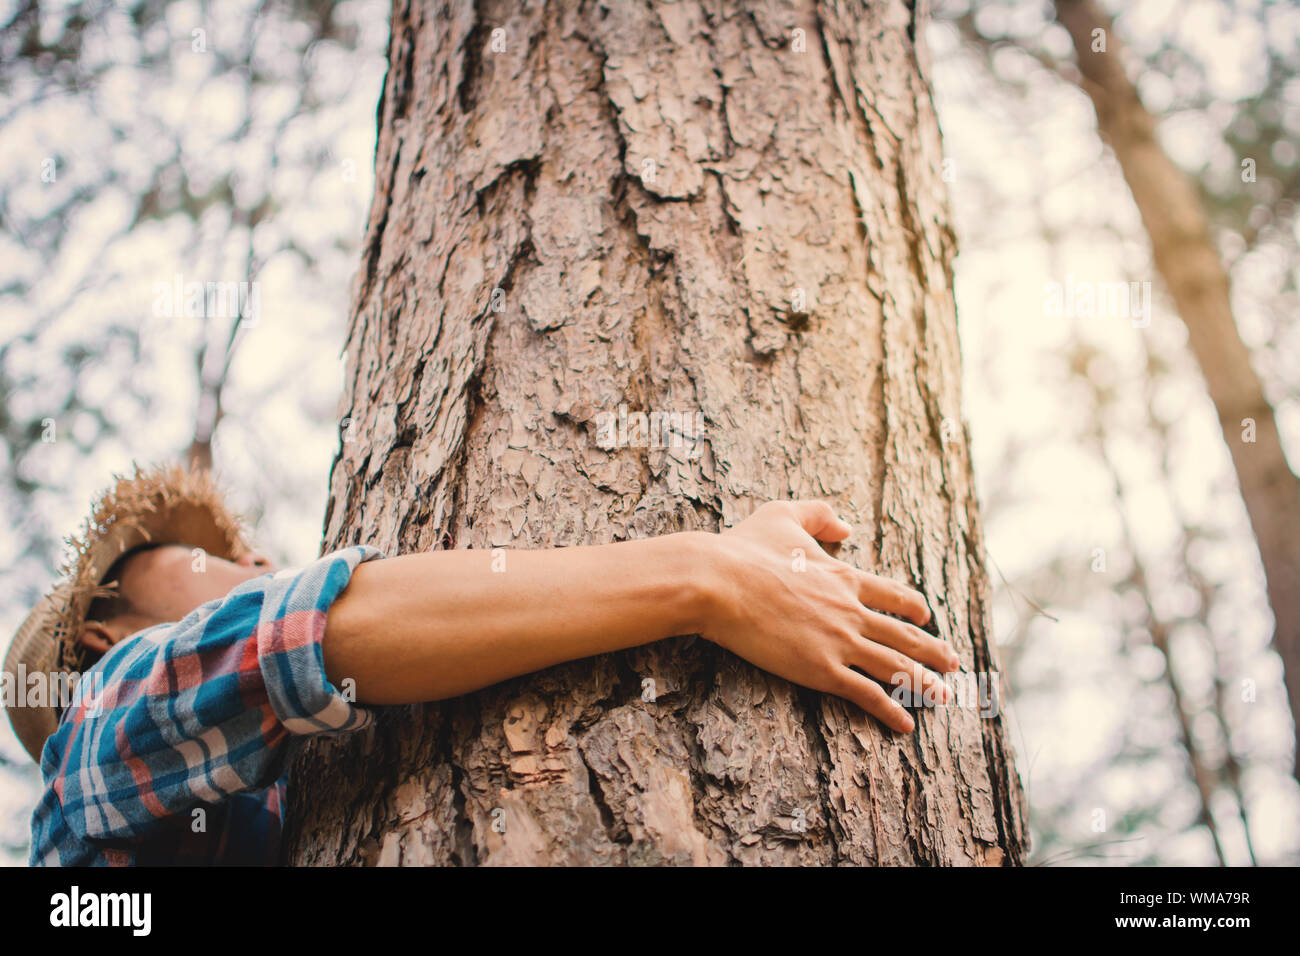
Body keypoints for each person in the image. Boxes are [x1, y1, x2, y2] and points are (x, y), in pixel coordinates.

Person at [4, 462, 957, 866]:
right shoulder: (100, 723)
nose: (254, 563)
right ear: (102, 637)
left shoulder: (247, 804)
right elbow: (297, 638)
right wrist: (710, 575)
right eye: (211, 564)